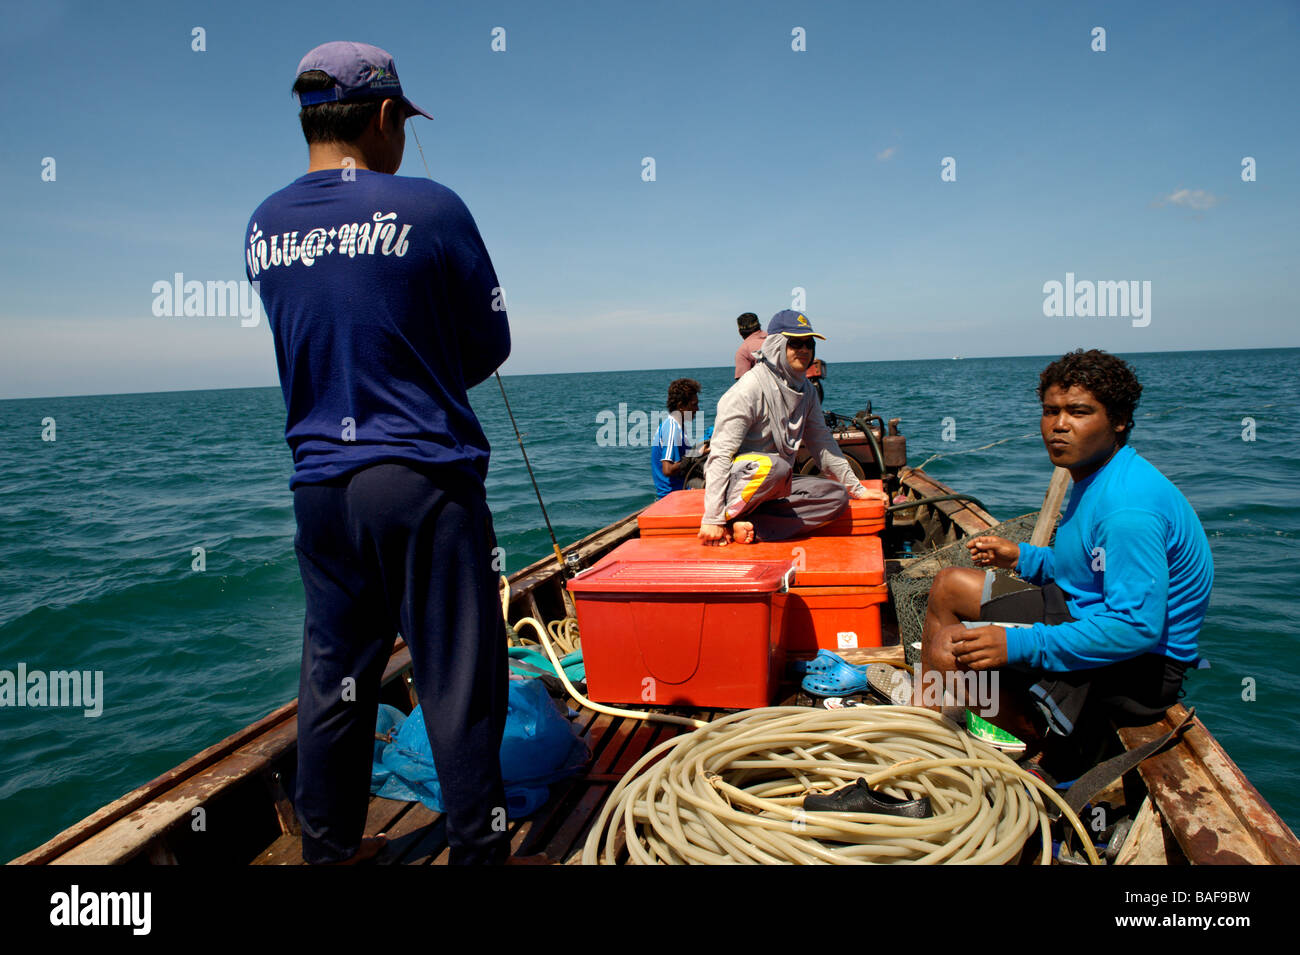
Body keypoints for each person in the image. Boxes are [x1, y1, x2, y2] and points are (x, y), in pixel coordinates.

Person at [246, 42, 513, 865]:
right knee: (458, 677)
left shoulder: (262, 225)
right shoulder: (433, 208)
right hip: (423, 480)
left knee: (335, 681)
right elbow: (489, 340)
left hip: (320, 488)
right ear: (387, 116)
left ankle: (326, 853)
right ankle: (478, 851)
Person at [916, 349, 1214, 763]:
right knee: (950, 584)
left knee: (951, 648)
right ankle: (929, 723)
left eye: (1078, 412)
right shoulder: (1094, 475)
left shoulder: (1128, 507)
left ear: (1119, 420)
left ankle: (1046, 745)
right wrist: (1025, 556)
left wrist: (1018, 643)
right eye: (1050, 411)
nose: (1059, 425)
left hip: (1139, 667)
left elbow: (1136, 628)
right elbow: (1088, 571)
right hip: (1083, 610)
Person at [700, 310, 887, 545]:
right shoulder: (748, 390)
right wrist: (713, 518)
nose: (804, 350)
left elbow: (823, 445)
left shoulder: (806, 391)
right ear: (777, 346)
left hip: (775, 484)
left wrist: (857, 489)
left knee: (835, 496)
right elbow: (720, 455)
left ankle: (754, 527)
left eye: (809, 344)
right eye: (795, 343)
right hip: (737, 483)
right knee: (775, 466)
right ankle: (729, 518)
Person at [651, 378, 706, 499]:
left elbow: (681, 457)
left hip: (681, 488)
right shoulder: (672, 429)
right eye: (694, 405)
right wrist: (693, 456)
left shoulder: (678, 425)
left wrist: (700, 452)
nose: (697, 409)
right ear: (681, 406)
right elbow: (667, 469)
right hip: (673, 496)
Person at [733, 312, 767, 379]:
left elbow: (743, 382)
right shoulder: (775, 339)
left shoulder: (743, 351)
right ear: (759, 325)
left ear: (740, 331)